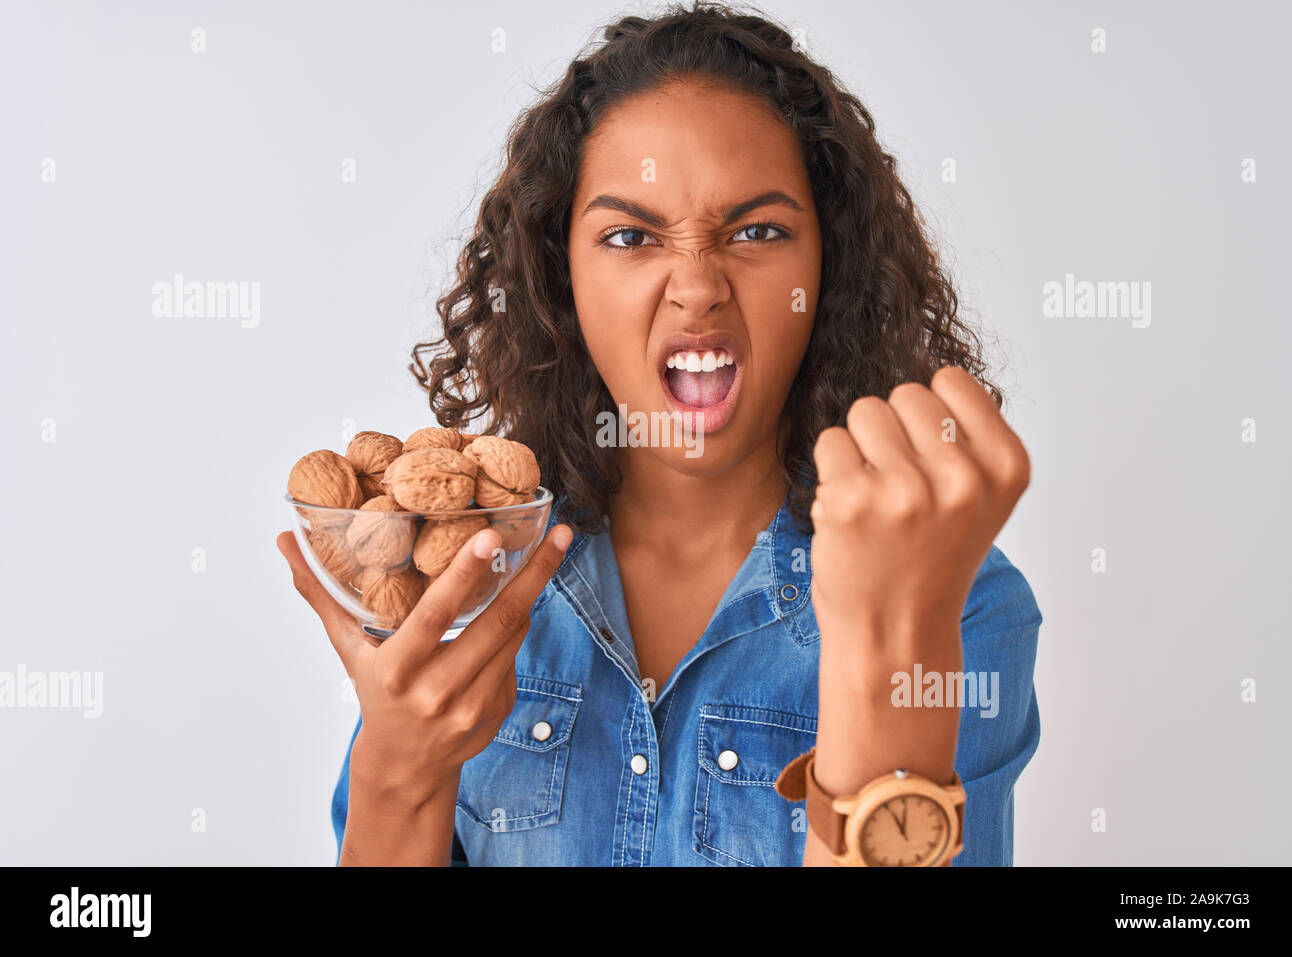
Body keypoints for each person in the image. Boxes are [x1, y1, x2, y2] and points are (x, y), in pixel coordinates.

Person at [277, 1, 1041, 866]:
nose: (697, 286)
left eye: (757, 230)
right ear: (561, 279)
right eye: (631, 235)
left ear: (828, 268)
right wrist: (399, 763)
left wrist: (889, 633)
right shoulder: (463, 573)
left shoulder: (963, 600)